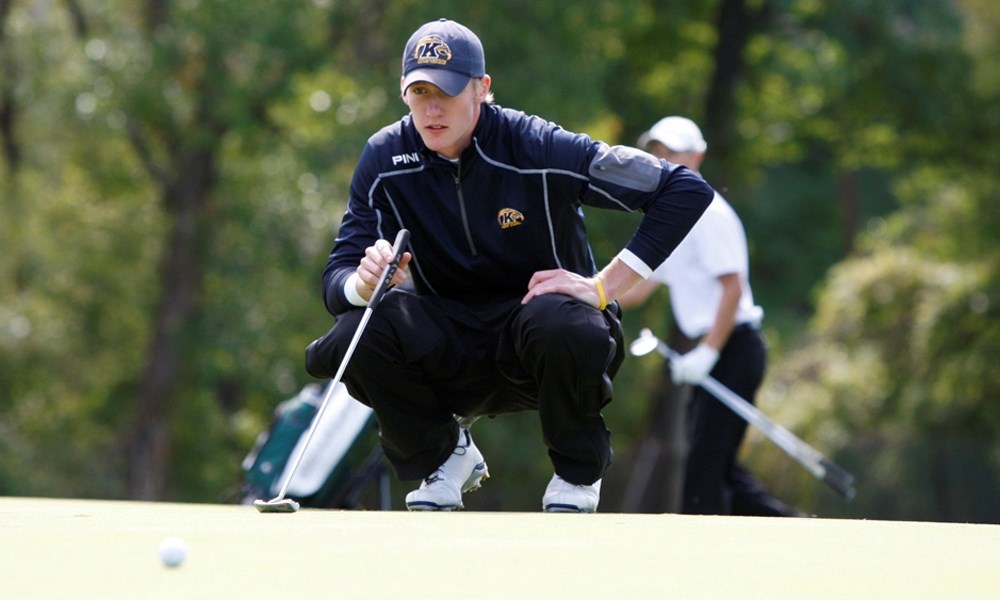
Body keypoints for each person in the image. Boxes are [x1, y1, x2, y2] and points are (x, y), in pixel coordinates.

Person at [304, 19, 714, 513]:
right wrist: (363, 284)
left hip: (543, 339)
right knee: (355, 332)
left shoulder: (538, 144)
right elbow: (337, 279)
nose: (432, 109)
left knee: (563, 319)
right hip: (449, 345)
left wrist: (606, 286)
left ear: (482, 89)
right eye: (419, 92)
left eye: (447, 92)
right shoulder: (385, 158)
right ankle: (443, 458)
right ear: (403, 93)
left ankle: (576, 474)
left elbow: (683, 189)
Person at [620, 116, 802, 517]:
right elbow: (636, 287)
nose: (661, 160)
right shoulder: (672, 216)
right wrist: (582, 292)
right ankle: (794, 526)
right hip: (717, 350)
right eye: (656, 152)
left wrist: (707, 352)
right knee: (715, 464)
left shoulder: (708, 213)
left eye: (671, 152)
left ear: (697, 156)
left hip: (732, 347)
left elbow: (732, 286)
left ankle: (698, 547)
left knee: (705, 464)